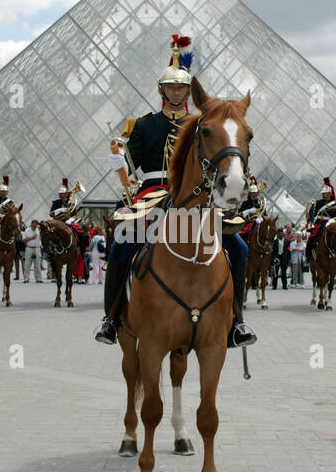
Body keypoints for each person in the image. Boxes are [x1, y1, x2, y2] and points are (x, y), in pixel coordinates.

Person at [95, 33, 255, 348]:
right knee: (121, 246)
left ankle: (237, 320)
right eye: (171, 87)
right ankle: (112, 318)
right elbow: (132, 162)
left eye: (182, 87)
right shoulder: (145, 125)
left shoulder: (204, 124)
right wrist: (120, 159)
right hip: (153, 193)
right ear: (161, 90)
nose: (177, 92)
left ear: (188, 91)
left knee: (238, 248)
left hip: (195, 195)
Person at [304, 177, 336, 262]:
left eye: (327, 193)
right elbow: (314, 213)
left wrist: (330, 222)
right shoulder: (318, 202)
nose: (325, 195)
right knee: (312, 237)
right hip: (319, 222)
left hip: (329, 222)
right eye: (324, 193)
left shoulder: (334, 204)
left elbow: (335, 217)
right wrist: (311, 212)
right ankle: (308, 257)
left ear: (330, 194)